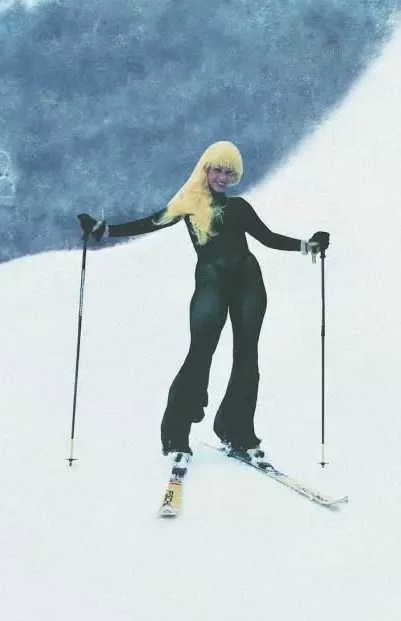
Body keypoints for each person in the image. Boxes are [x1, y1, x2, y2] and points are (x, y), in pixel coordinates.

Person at [77, 140, 329, 458]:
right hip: (212, 283)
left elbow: (269, 239)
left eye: (229, 172)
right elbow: (148, 224)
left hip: (249, 283)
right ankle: (175, 435)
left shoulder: (240, 208)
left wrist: (309, 245)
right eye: (218, 170)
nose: (223, 177)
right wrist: (104, 231)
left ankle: (238, 432)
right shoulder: (188, 205)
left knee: (247, 357)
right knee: (200, 354)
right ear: (206, 169)